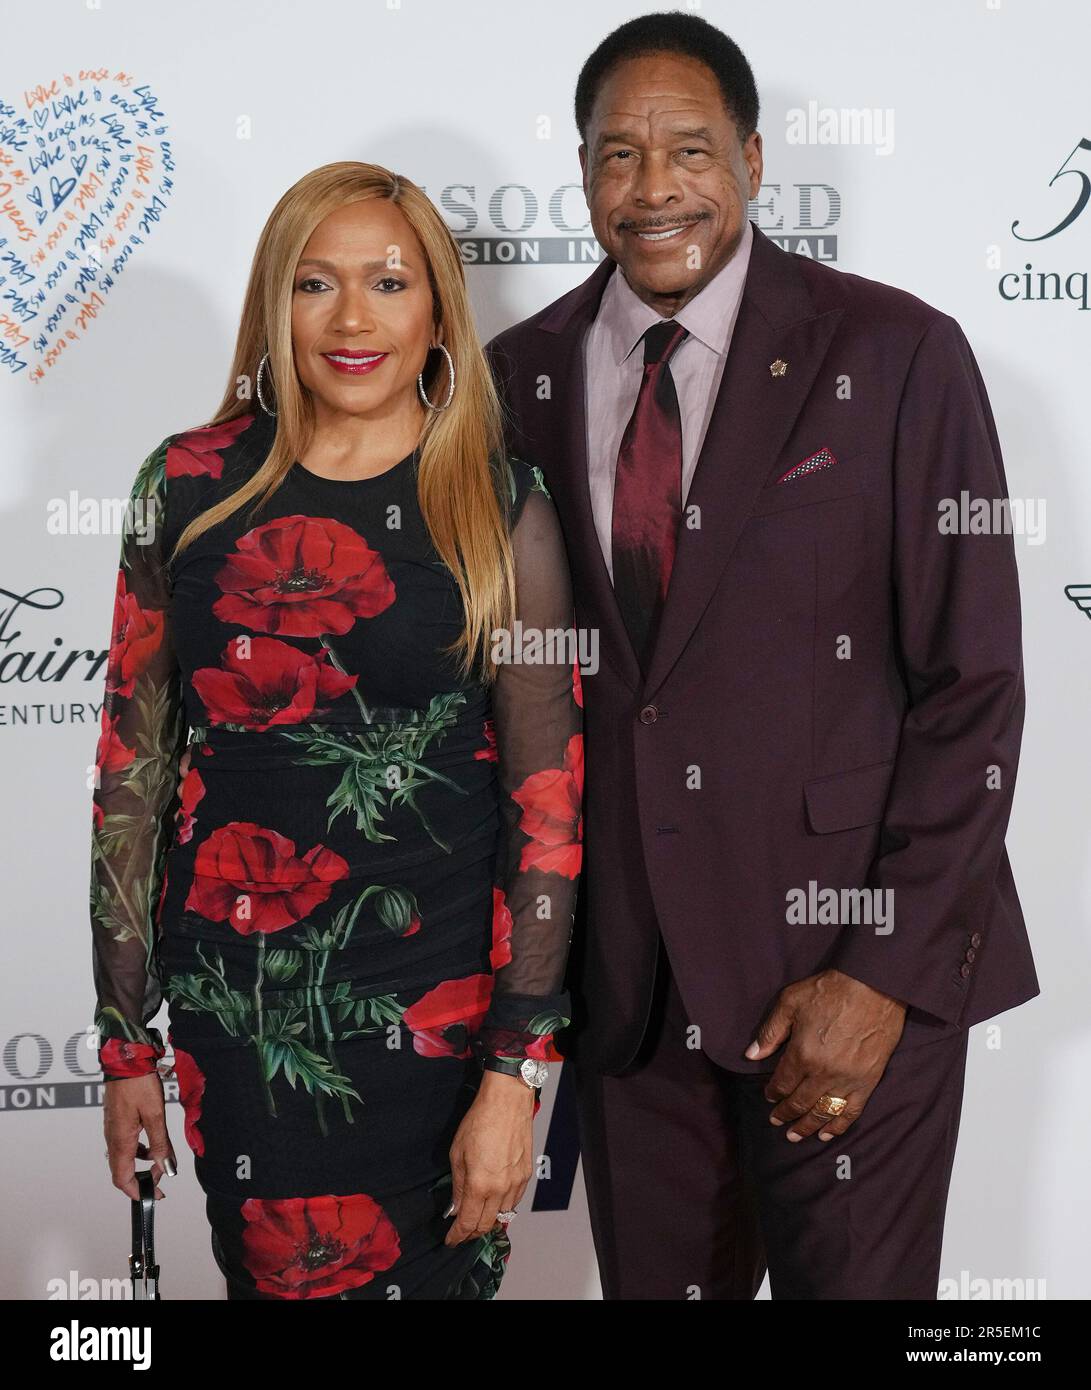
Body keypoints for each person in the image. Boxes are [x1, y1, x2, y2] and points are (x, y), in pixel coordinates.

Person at [484, 12, 1038, 1299]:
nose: (654, 186)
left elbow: (974, 690)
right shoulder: (523, 378)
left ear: (749, 157)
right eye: (618, 154)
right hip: (628, 995)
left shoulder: (894, 354)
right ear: (580, 173)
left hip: (846, 983)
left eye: (688, 148)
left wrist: (879, 974)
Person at [90, 161, 583, 1300]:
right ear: (276, 305)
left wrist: (515, 1070)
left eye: (389, 282)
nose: (353, 319)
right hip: (238, 1022)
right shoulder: (186, 487)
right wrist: (126, 1044)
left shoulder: (501, 507)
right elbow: (131, 776)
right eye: (316, 283)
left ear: (437, 313)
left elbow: (547, 807)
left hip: (435, 1029)